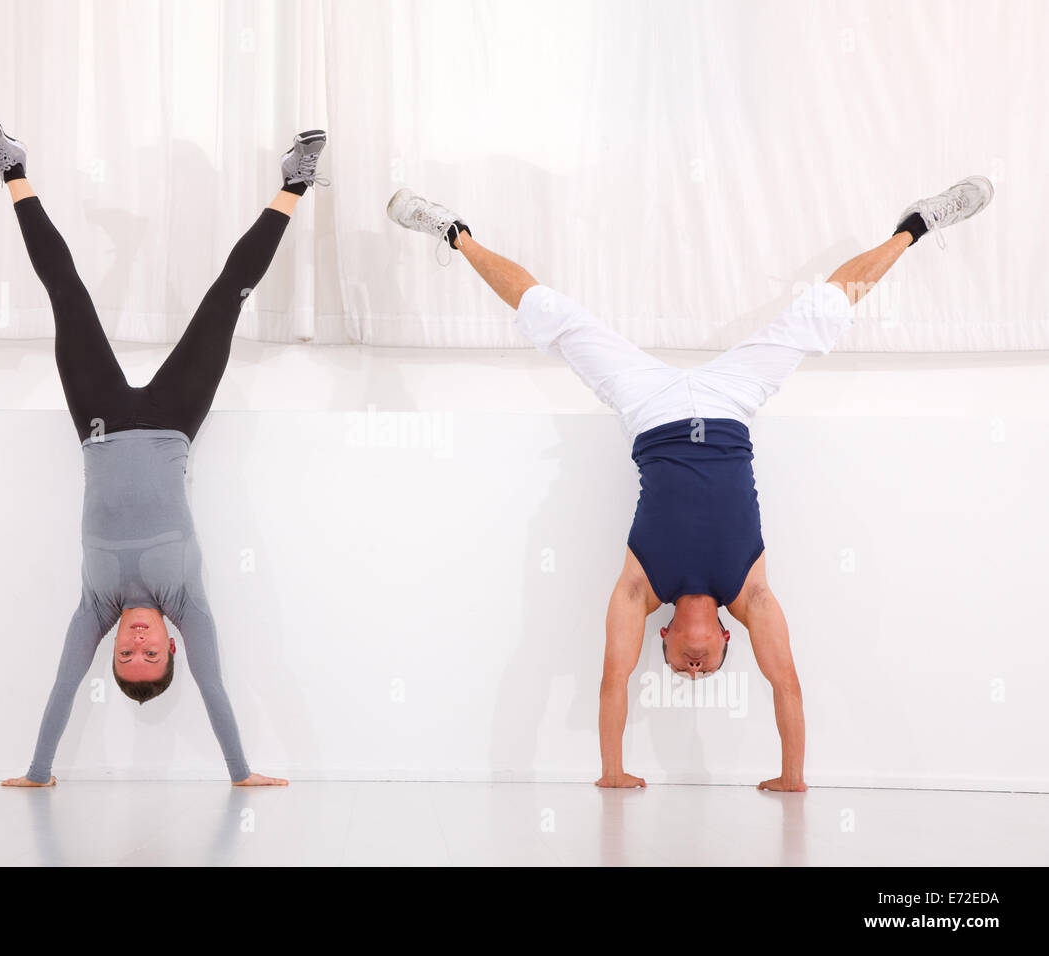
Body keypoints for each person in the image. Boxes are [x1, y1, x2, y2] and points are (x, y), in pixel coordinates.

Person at [386, 175, 993, 791]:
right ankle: (917, 225)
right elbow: (786, 683)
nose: (694, 669)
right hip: (731, 403)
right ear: (729, 637)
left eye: (681, 669)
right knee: (822, 313)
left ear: (669, 636)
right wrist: (792, 778)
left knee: (553, 316)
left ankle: (453, 233)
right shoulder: (750, 594)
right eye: (707, 670)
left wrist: (612, 772)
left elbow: (613, 681)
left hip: (651, 409)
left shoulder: (640, 589)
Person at [0, 117, 328, 788]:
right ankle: (296, 183)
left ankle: (11, 169)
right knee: (227, 299)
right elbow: (217, 690)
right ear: (170, 647)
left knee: (66, 296)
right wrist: (241, 774)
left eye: (126, 654)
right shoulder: (187, 602)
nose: (136, 643)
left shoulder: (93, 608)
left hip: (99, 424)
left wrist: (39, 773)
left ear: (112, 652)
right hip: (172, 423)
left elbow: (61, 689)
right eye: (150, 652)